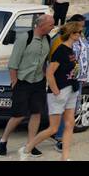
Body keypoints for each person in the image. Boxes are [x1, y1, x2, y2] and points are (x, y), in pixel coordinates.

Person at [0, 14, 54, 159]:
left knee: (36, 113)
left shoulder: (47, 39)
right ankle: (3, 141)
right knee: (18, 115)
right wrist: (14, 80)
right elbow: (13, 62)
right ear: (41, 25)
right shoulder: (25, 38)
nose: (53, 27)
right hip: (22, 81)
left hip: (38, 81)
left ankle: (31, 144)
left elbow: (46, 61)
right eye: (50, 25)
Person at [30, 19, 83, 161]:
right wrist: (56, 91)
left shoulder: (71, 50)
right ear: (71, 33)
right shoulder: (60, 50)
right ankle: (28, 148)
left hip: (72, 89)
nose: (80, 34)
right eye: (78, 32)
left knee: (70, 124)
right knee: (53, 128)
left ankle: (64, 158)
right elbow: (49, 72)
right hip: (60, 91)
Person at [52, 15, 89, 149]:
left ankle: (63, 138)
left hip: (79, 77)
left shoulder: (82, 38)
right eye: (80, 27)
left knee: (72, 110)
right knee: (64, 110)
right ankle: (59, 138)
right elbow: (56, 62)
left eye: (82, 27)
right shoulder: (64, 43)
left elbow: (84, 56)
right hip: (67, 79)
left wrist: (84, 75)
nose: (82, 29)